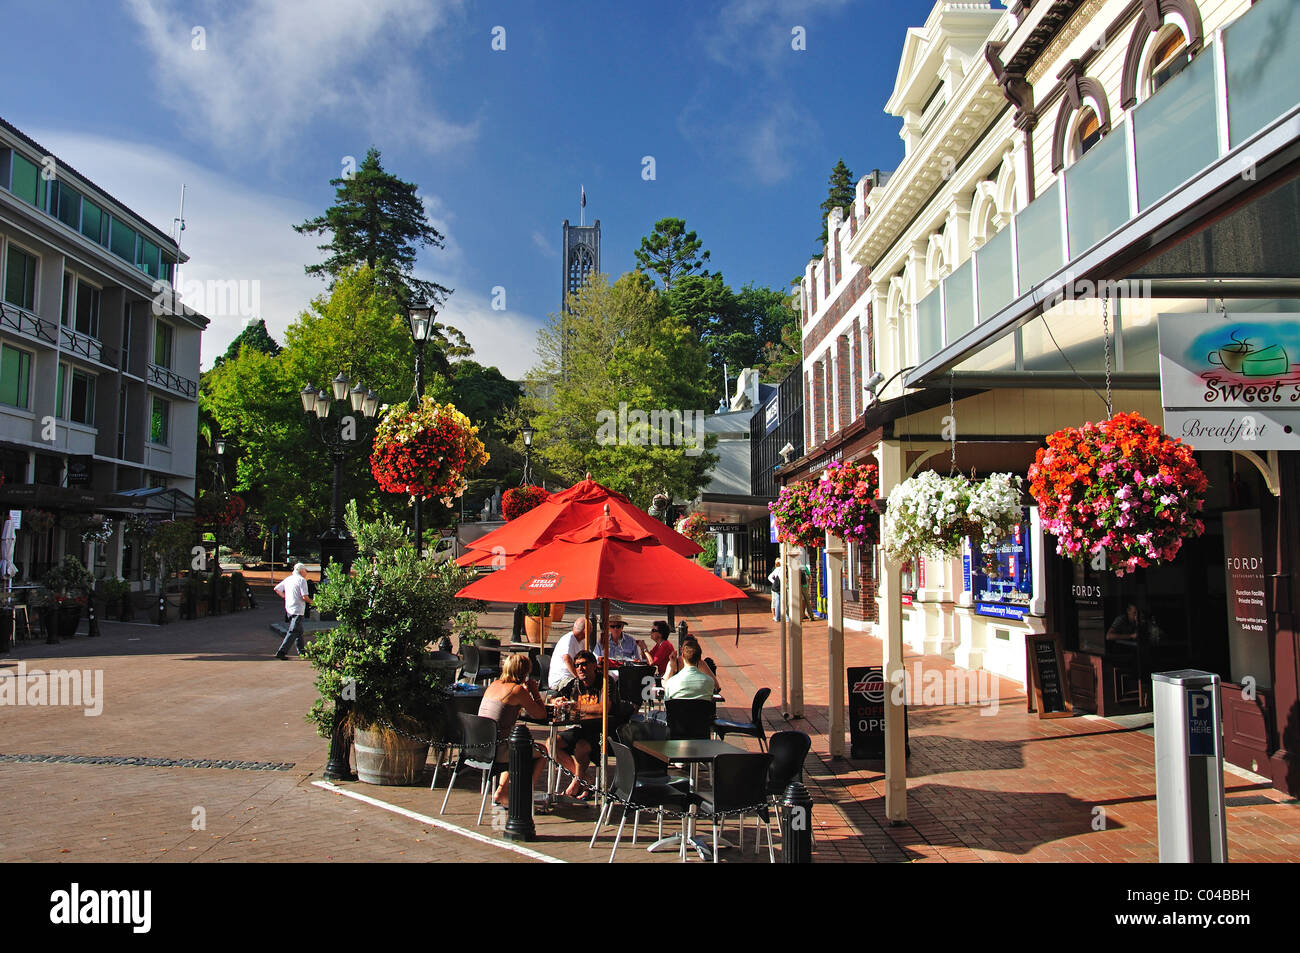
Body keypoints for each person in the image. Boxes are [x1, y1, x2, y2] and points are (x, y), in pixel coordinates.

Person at [552, 650, 632, 799]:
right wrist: (556, 701)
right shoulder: (575, 683)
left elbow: (604, 708)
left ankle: (576, 784)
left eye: (584, 664)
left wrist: (576, 706)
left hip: (605, 732)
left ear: (594, 665)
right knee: (551, 743)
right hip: (582, 728)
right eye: (577, 665)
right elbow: (554, 697)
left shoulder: (606, 682)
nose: (580, 669)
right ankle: (585, 780)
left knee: (581, 747)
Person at [477, 654, 547, 808]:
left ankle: (502, 792)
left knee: (515, 745)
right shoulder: (517, 690)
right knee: (542, 751)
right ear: (524, 672)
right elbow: (540, 714)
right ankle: (524, 796)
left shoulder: (494, 684)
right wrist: (534, 692)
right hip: (497, 749)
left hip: (480, 746)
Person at [273, 563, 312, 659]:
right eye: (305, 571)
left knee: (298, 631)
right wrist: (313, 602)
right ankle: (281, 652)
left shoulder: (289, 579)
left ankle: (302, 652)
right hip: (298, 609)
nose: (306, 573)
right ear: (301, 571)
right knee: (293, 631)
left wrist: (285, 597)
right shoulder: (302, 580)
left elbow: (277, 589)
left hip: (289, 608)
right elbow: (304, 596)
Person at [548, 617, 587, 692]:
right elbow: (567, 659)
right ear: (585, 630)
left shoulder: (582, 641)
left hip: (572, 676)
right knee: (579, 687)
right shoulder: (568, 639)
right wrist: (577, 677)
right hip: (562, 678)